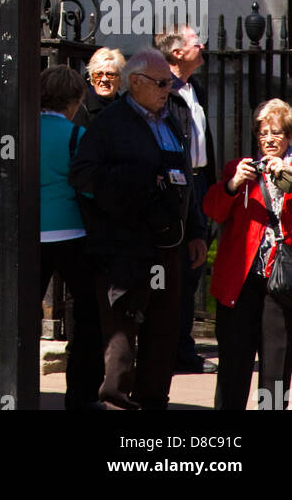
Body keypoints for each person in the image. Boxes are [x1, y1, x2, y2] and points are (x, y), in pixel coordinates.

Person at [69, 48, 207, 410]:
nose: (167, 89)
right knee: (122, 335)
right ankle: (115, 403)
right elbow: (83, 176)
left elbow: (185, 180)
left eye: (169, 83)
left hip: (169, 245)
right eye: (161, 83)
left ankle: (154, 402)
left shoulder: (171, 120)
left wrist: (195, 230)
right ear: (135, 83)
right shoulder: (110, 123)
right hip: (126, 247)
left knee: (163, 333)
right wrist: (136, 183)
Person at [205, 98, 292, 410]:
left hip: (281, 284)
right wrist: (232, 184)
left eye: (277, 133)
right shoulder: (240, 169)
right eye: (263, 134)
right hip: (240, 281)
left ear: (290, 136)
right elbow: (213, 211)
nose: (269, 140)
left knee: (275, 365)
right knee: (234, 361)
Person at [37, 64, 105, 410]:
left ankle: (3, 393)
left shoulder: (22, 132)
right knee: (89, 316)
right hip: (74, 234)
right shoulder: (77, 136)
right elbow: (91, 188)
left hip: (31, 237)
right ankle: (81, 396)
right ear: (76, 101)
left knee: (18, 318)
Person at [155, 26, 217, 375]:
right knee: (169, 270)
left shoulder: (196, 89)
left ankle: (182, 345)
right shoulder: (164, 91)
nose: (202, 45)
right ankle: (166, 347)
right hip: (175, 185)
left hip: (199, 181)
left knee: (193, 270)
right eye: (196, 42)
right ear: (177, 53)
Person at [78, 48, 125, 125]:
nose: (104, 79)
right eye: (98, 74)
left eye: (110, 74)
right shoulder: (80, 107)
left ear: (121, 80)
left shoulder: (126, 109)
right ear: (92, 79)